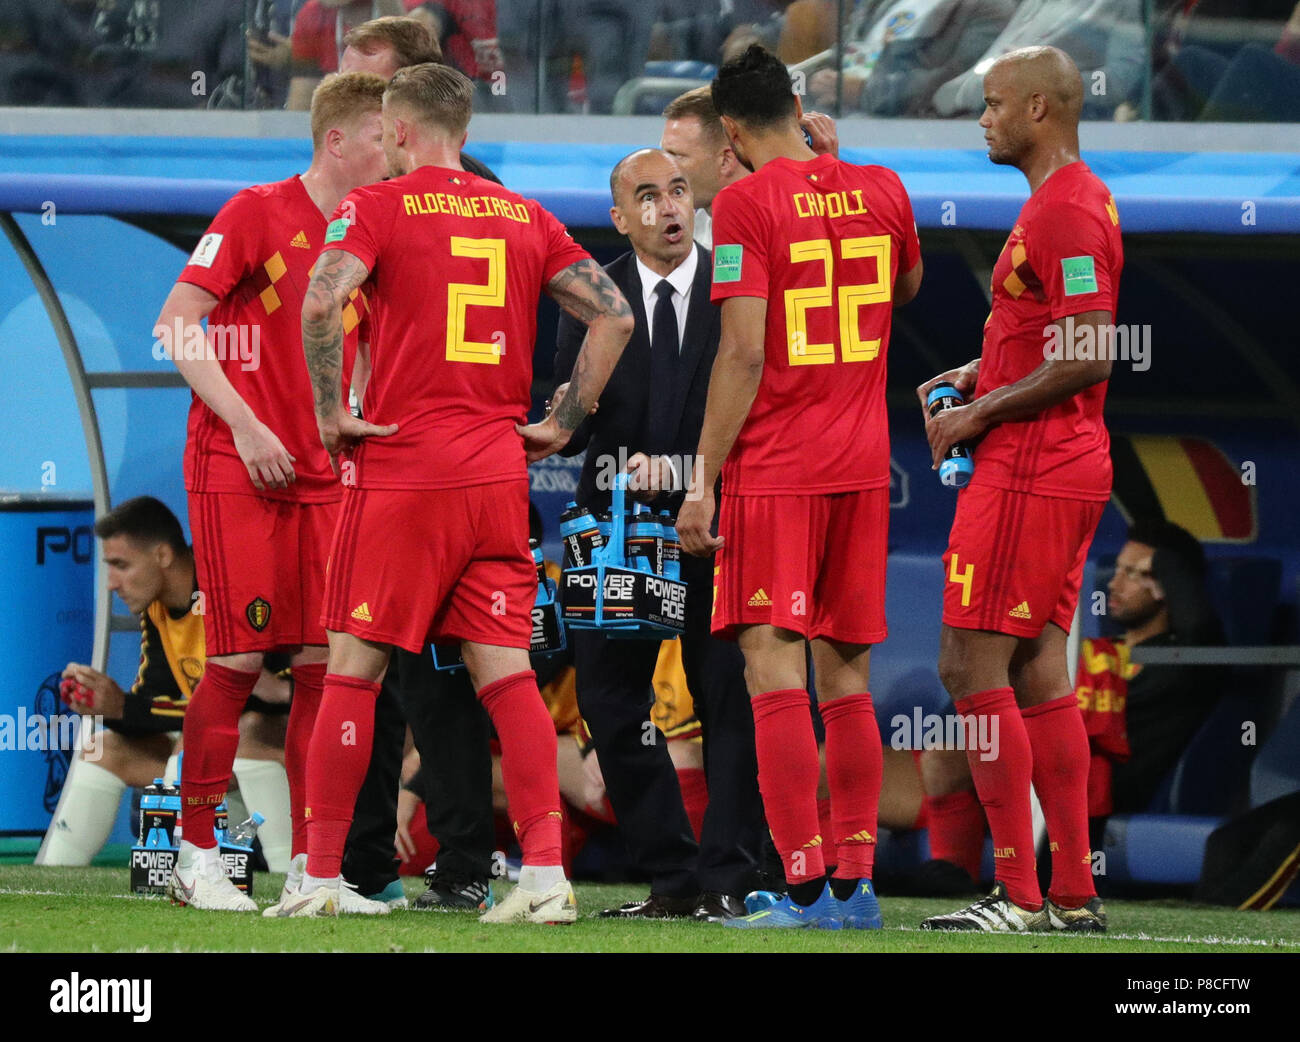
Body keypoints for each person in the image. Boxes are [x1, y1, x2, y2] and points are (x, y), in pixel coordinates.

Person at [290, 61, 633, 920]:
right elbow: (615, 312)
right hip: (495, 476)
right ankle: (546, 877)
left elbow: (321, 301)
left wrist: (332, 413)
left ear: (399, 130)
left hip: (407, 470)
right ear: (465, 129)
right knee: (508, 678)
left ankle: (323, 877)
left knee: (353, 670)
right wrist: (562, 420)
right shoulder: (523, 214)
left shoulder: (375, 206)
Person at [677, 43, 922, 929]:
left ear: (732, 131)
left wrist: (700, 480)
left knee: (771, 669)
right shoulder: (884, 187)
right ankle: (856, 890)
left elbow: (742, 351)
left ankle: (807, 886)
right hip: (861, 464)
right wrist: (836, 170)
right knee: (846, 672)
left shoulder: (744, 202)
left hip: (777, 467)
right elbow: (907, 282)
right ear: (801, 107)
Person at [154, 71, 393, 914]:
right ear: (336, 141)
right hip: (238, 469)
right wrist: (249, 425)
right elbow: (177, 324)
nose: (394, 150)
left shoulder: (374, 228)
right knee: (236, 662)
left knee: (326, 669)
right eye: (380, 136)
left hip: (326, 478)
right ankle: (196, 856)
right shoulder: (256, 210)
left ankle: (309, 870)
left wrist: (356, 411)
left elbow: (364, 344)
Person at [915, 45, 1124, 933]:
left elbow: (1089, 352)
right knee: (1039, 667)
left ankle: (1017, 892)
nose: (983, 118)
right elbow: (1047, 331)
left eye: (995, 104)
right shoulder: (1063, 203)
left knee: (968, 665)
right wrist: (977, 369)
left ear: (1040, 108)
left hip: (1035, 465)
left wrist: (975, 415)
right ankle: (1071, 892)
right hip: (1058, 461)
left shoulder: (1070, 210)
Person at [552, 148, 771, 922]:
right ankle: (672, 878)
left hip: (716, 522)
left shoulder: (737, 286)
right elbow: (569, 434)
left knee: (727, 698)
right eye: (647, 197)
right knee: (611, 703)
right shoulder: (589, 295)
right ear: (620, 216)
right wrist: (565, 414)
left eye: (677, 190)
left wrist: (681, 469)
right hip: (615, 529)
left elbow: (761, 408)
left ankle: (728, 879)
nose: (668, 207)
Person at [40, 497, 291, 869]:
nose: (111, 584)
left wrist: (122, 706)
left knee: (217, 739)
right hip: (224, 753)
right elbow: (157, 706)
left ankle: (292, 871)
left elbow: (274, 692)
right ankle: (52, 880)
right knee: (102, 748)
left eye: (120, 565)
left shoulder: (230, 585)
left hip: (285, 747)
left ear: (162, 555)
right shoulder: (156, 609)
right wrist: (113, 708)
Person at [1082, 521, 1223, 822]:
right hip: (1047, 767)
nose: (1113, 584)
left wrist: (1163, 563)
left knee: (964, 762)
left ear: (1166, 585)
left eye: (1133, 573)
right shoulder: (1095, 651)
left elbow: (1199, 629)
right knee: (964, 751)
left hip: (1105, 786)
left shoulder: (1183, 665)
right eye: (1118, 570)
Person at [661, 85, 838, 250]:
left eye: (676, 156)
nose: (659, 168)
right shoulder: (682, 228)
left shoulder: (790, 228)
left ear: (726, 161)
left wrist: (830, 183)